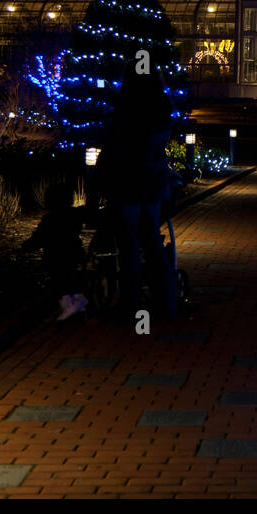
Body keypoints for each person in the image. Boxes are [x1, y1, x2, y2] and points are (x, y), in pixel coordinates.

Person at [98, 60, 178, 321]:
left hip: (128, 182)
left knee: (129, 243)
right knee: (152, 239)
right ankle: (167, 300)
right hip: (153, 182)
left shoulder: (125, 110)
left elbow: (114, 149)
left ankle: (130, 303)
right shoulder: (161, 106)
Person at [22, 183, 88, 321]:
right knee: (70, 278)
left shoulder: (49, 220)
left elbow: (39, 237)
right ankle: (76, 302)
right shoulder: (74, 215)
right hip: (73, 253)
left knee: (60, 283)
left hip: (55, 256)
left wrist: (28, 246)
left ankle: (69, 306)